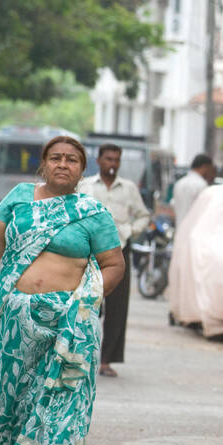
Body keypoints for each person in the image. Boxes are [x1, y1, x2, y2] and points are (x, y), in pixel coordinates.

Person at [0, 135, 124, 445]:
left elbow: (114, 265)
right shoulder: (18, 198)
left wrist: (87, 303)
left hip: (67, 324)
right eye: (55, 158)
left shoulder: (92, 213)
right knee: (5, 402)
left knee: (55, 405)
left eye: (71, 160)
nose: (63, 165)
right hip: (13, 318)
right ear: (43, 165)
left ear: (83, 169)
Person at [77, 144, 149, 377]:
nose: (112, 164)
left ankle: (106, 360)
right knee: (86, 303)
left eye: (116, 160)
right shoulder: (85, 186)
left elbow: (143, 215)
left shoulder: (128, 189)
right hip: (89, 253)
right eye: (108, 159)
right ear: (99, 161)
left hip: (119, 252)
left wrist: (129, 232)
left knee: (118, 308)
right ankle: (81, 355)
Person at [170, 153, 216, 225]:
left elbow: (173, 205)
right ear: (205, 167)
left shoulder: (179, 183)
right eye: (210, 169)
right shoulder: (202, 185)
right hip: (193, 230)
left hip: (180, 229)